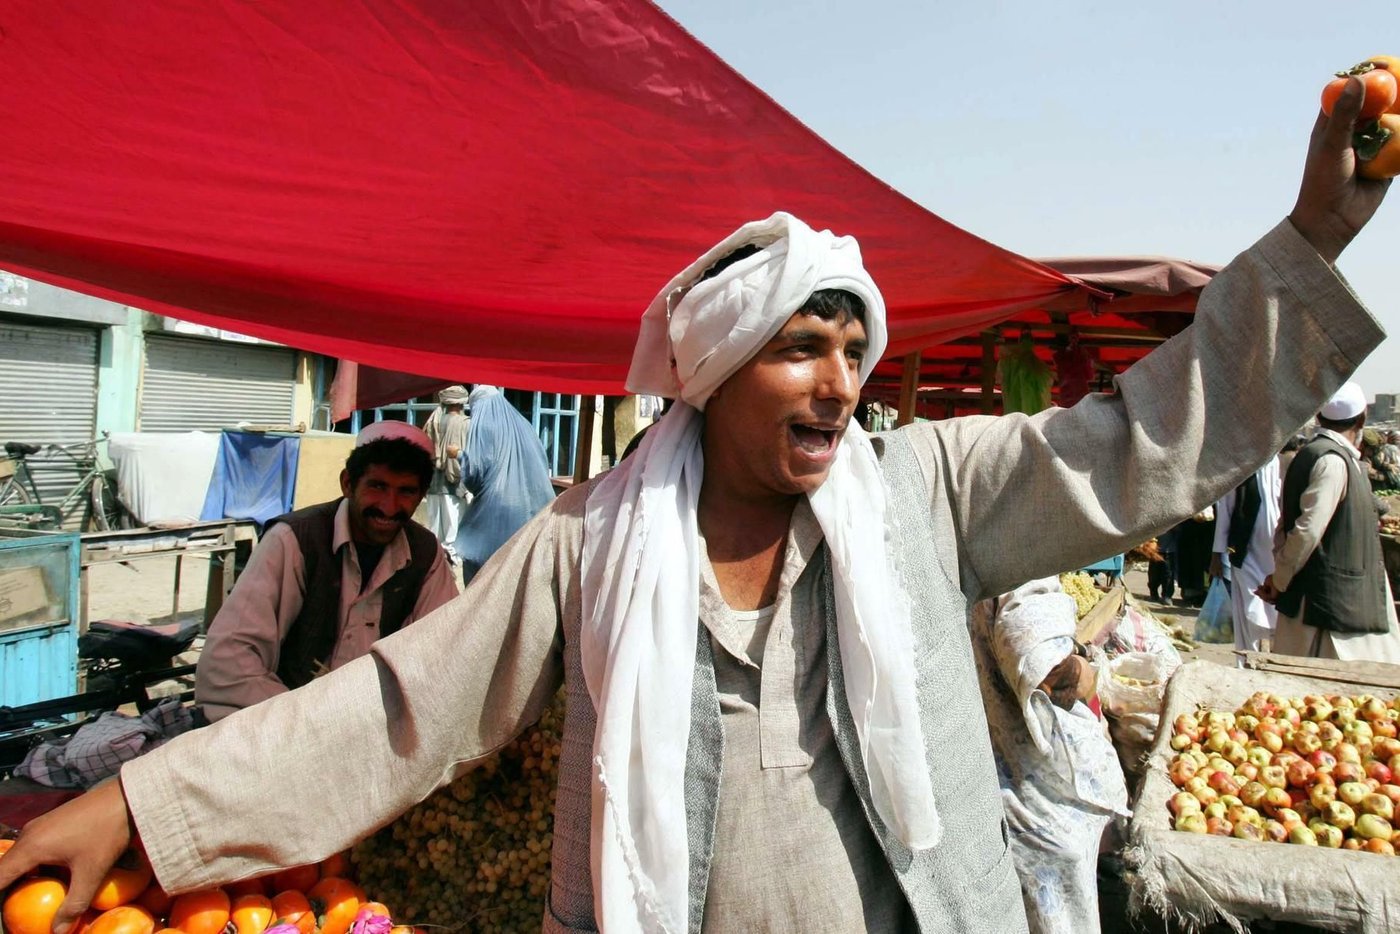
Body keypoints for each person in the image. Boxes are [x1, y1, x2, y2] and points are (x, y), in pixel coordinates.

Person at [1, 85, 1389, 934]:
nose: (840, 383)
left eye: (855, 351)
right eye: (802, 348)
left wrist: (1311, 241)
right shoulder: (591, 541)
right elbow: (394, 711)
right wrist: (142, 799)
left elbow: (1133, 441)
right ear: (715, 375)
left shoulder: (925, 491)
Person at [192, 421, 459, 722]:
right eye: (377, 486)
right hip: (285, 724)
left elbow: (443, 651)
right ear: (348, 483)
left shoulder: (425, 553)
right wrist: (310, 724)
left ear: (421, 495)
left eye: (406, 491)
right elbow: (228, 664)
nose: (389, 506)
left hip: (375, 728)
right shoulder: (293, 540)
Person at [971, 578, 1128, 933]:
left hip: (980, 777)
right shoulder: (1020, 563)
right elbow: (1052, 676)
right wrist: (1085, 668)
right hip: (1030, 798)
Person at [1259, 382, 1400, 663]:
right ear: (1361, 420)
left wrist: (1280, 573)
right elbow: (1306, 530)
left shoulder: (1321, 456)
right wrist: (1281, 579)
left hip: (1336, 600)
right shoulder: (1332, 461)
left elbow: (1284, 526)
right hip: (1329, 606)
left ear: (1320, 418)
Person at [452, 385, 556, 585]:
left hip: (497, 518)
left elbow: (475, 474)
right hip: (536, 516)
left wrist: (459, 455)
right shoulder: (525, 425)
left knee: (481, 586)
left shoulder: (483, 426)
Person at [1210, 455, 1282, 656]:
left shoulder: (1276, 461)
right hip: (1245, 551)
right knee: (1249, 608)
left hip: (1275, 553)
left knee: (1273, 609)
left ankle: (1269, 659)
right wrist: (1217, 554)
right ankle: (1247, 661)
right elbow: (1225, 511)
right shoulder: (1238, 466)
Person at [422, 385, 471, 562]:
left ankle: (435, 556)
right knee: (453, 525)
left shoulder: (433, 420)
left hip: (433, 481)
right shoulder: (466, 424)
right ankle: (451, 556)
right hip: (455, 481)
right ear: (462, 403)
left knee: (435, 524)